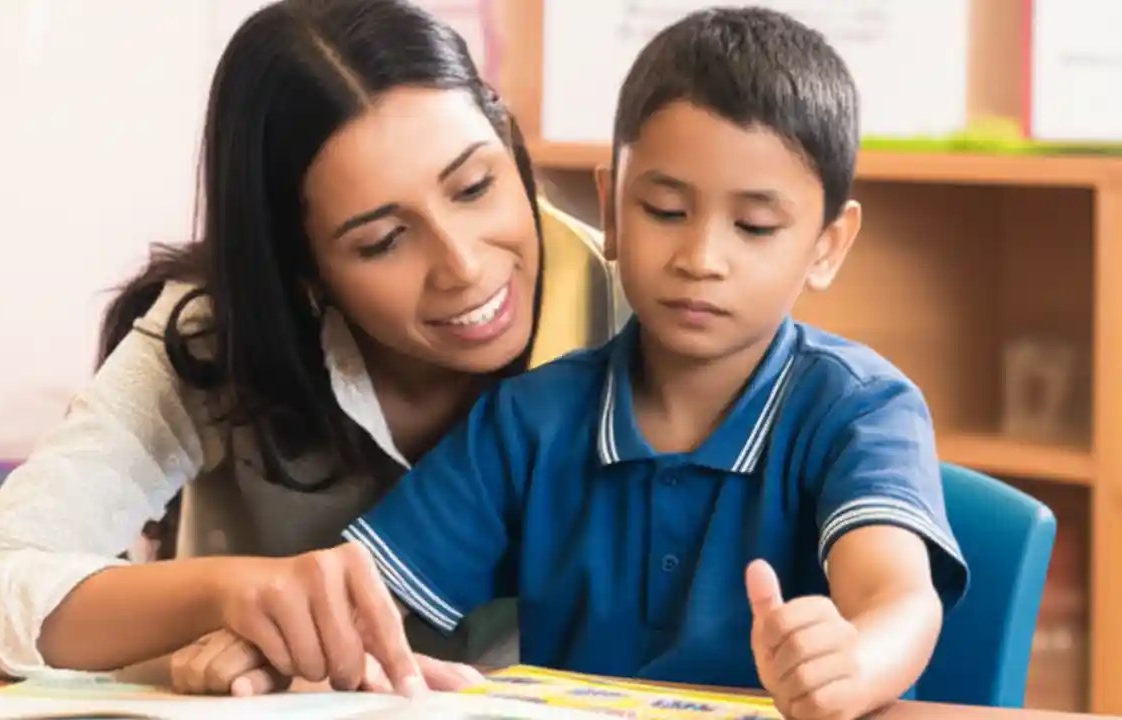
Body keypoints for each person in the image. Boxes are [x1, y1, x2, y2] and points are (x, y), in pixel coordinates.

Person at [203, 7, 972, 718]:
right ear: (611, 209)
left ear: (828, 245)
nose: (701, 257)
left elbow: (899, 599)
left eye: (755, 226)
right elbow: (362, 598)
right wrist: (271, 649)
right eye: (665, 211)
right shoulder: (527, 422)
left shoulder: (860, 409)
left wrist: (855, 660)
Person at [0, 0, 621, 697]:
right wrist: (227, 591)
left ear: (506, 137)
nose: (462, 266)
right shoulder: (216, 339)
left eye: (474, 186)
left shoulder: (634, 313)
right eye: (382, 241)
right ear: (301, 266)